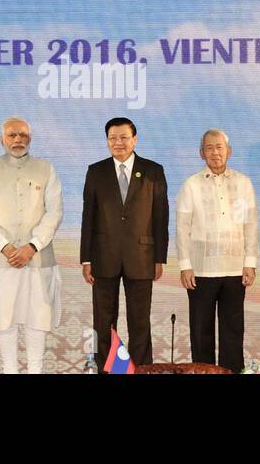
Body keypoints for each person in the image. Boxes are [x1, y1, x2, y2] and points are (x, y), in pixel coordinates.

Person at [0, 117, 63, 374]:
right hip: (1, 261)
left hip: (38, 259)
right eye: (12, 135)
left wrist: (31, 247)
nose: (17, 140)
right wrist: (6, 248)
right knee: (5, 320)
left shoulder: (46, 169)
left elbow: (54, 213)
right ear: (1, 139)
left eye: (23, 135)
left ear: (30, 138)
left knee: (37, 320)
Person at [81, 117, 168, 369]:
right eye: (112, 138)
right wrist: (86, 259)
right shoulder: (96, 171)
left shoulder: (153, 170)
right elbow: (89, 218)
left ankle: (141, 369)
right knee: (103, 322)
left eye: (123, 137)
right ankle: (108, 369)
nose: (118, 143)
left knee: (140, 322)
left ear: (135, 139)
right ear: (107, 141)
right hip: (102, 256)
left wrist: (159, 257)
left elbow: (161, 217)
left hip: (142, 256)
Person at [176, 129, 257, 373]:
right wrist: (185, 265)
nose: (215, 152)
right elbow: (182, 227)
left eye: (219, 147)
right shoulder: (191, 184)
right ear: (202, 153)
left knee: (233, 330)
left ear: (228, 151)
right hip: (200, 270)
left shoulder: (243, 183)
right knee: (202, 331)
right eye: (209, 148)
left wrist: (250, 262)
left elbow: (250, 224)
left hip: (235, 269)